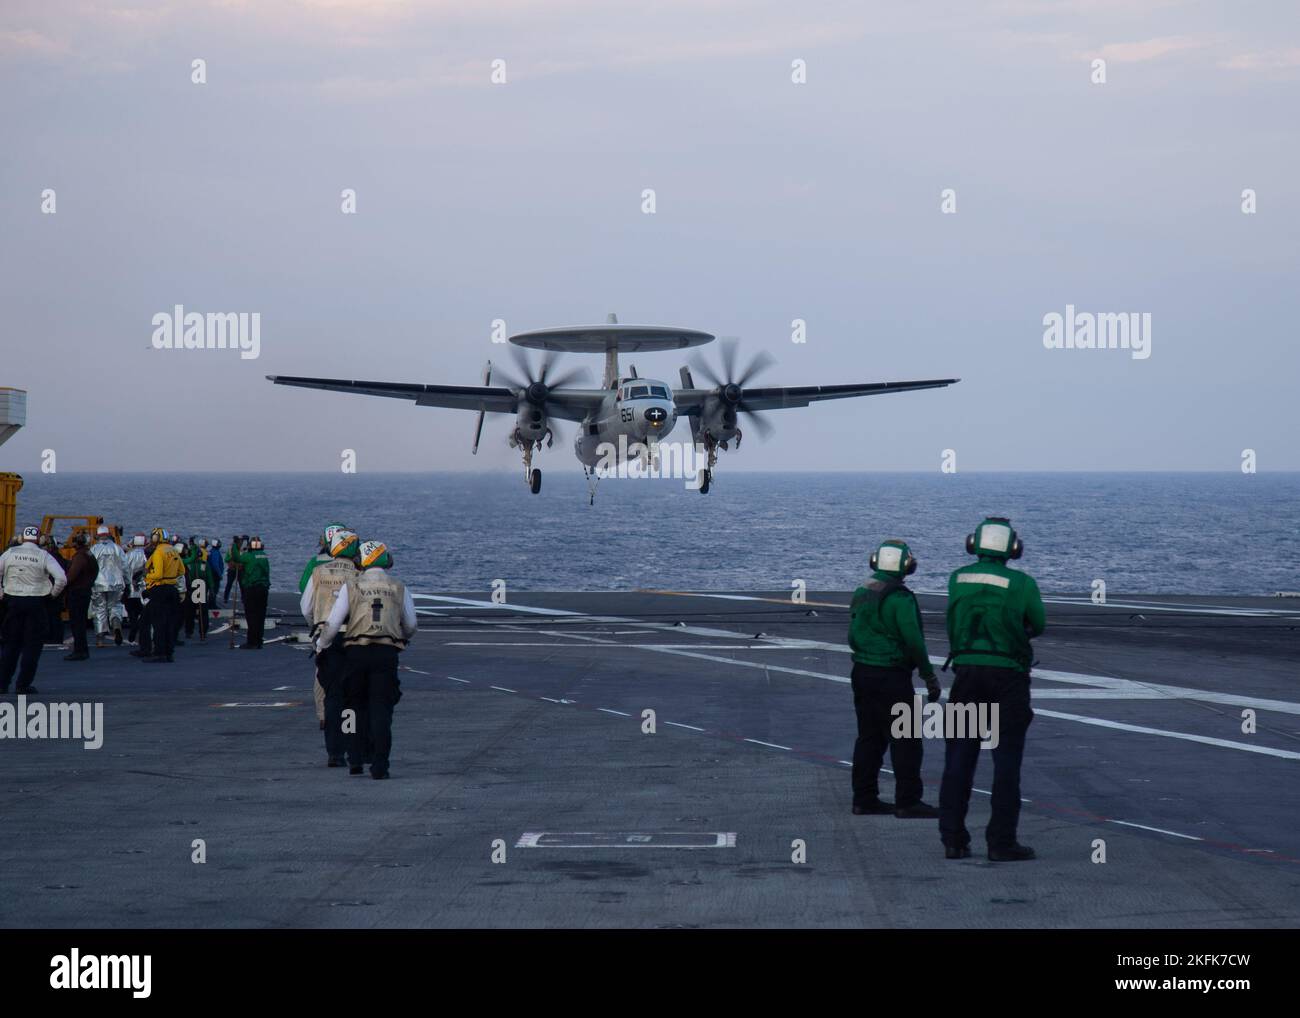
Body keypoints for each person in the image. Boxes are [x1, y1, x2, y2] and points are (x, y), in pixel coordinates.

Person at [938, 517, 1046, 862]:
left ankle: (953, 840)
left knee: (958, 760)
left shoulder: (958, 578)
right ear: (1014, 548)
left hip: (966, 677)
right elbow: (1039, 624)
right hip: (1008, 679)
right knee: (1006, 762)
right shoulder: (1022, 582)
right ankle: (1001, 842)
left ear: (973, 543)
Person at [847, 539, 942, 819]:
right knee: (907, 739)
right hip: (891, 676)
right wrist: (929, 676)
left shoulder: (863, 589)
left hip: (862, 672)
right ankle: (908, 801)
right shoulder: (900, 597)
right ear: (907, 566)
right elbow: (914, 640)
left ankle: (864, 799)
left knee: (869, 738)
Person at [316, 540, 417, 779]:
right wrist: (399, 636)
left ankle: (355, 759)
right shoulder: (398, 586)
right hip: (386, 653)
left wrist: (322, 645)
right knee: (381, 709)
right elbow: (411, 625)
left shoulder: (351, 586)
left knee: (352, 707)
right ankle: (380, 764)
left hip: (356, 653)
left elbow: (333, 624)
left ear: (362, 561)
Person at [301, 530, 360, 766]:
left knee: (330, 696)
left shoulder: (318, 572)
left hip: (326, 640)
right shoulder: (359, 574)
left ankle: (334, 752)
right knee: (354, 698)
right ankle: (352, 746)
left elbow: (306, 608)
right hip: (354, 641)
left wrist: (316, 631)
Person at [0, 526, 68, 694]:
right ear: (39, 540)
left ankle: (2, 683)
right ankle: (23, 685)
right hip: (36, 602)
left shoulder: (9, 553)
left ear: (22, 538)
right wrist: (51, 595)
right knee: (32, 646)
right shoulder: (43, 555)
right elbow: (61, 579)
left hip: (13, 601)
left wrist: (2, 594)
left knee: (10, 645)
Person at [142, 527, 184, 663]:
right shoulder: (173, 550)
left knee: (159, 624)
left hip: (160, 589)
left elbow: (158, 574)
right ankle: (169, 652)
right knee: (170, 624)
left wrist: (147, 575)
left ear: (155, 538)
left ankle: (159, 653)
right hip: (172, 589)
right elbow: (181, 570)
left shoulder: (159, 552)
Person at [88, 525, 129, 647]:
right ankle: (116, 625)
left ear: (97, 536)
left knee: (99, 609)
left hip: (98, 583)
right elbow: (125, 567)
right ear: (109, 535)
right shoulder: (118, 548)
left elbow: (89, 568)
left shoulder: (94, 549)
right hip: (116, 583)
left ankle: (100, 639)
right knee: (115, 606)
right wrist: (127, 582)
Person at [63, 533, 97, 661]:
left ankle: (79, 651)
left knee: (76, 623)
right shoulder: (89, 554)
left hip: (77, 593)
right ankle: (82, 650)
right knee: (81, 622)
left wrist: (63, 584)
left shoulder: (80, 557)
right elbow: (96, 570)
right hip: (85, 590)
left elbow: (71, 576)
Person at [231, 536, 270, 649]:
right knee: (260, 616)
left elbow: (237, 558)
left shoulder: (249, 556)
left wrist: (235, 544)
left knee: (251, 615)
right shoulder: (264, 556)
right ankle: (259, 641)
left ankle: (252, 641)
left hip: (252, 589)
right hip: (263, 589)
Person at [182, 538, 214, 642]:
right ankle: (203, 632)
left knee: (189, 612)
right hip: (202, 590)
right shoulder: (204, 565)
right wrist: (212, 589)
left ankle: (189, 631)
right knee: (202, 613)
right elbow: (209, 578)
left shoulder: (188, 564)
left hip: (192, 590)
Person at [40, 534, 68, 646]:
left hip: (49, 590)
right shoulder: (60, 558)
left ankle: (51, 637)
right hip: (59, 590)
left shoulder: (49, 558)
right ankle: (56, 637)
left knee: (50, 615)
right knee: (56, 616)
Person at [123, 533, 148, 644]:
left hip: (130, 588)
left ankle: (134, 627)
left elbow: (124, 570)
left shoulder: (128, 555)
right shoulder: (146, 555)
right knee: (144, 613)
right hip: (143, 588)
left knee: (131, 612)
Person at [208, 538, 225, 607]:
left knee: (212, 589)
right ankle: (212, 604)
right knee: (214, 589)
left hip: (211, 573)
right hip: (214, 574)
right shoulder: (215, 552)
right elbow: (215, 565)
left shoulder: (211, 551)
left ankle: (211, 603)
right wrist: (219, 574)